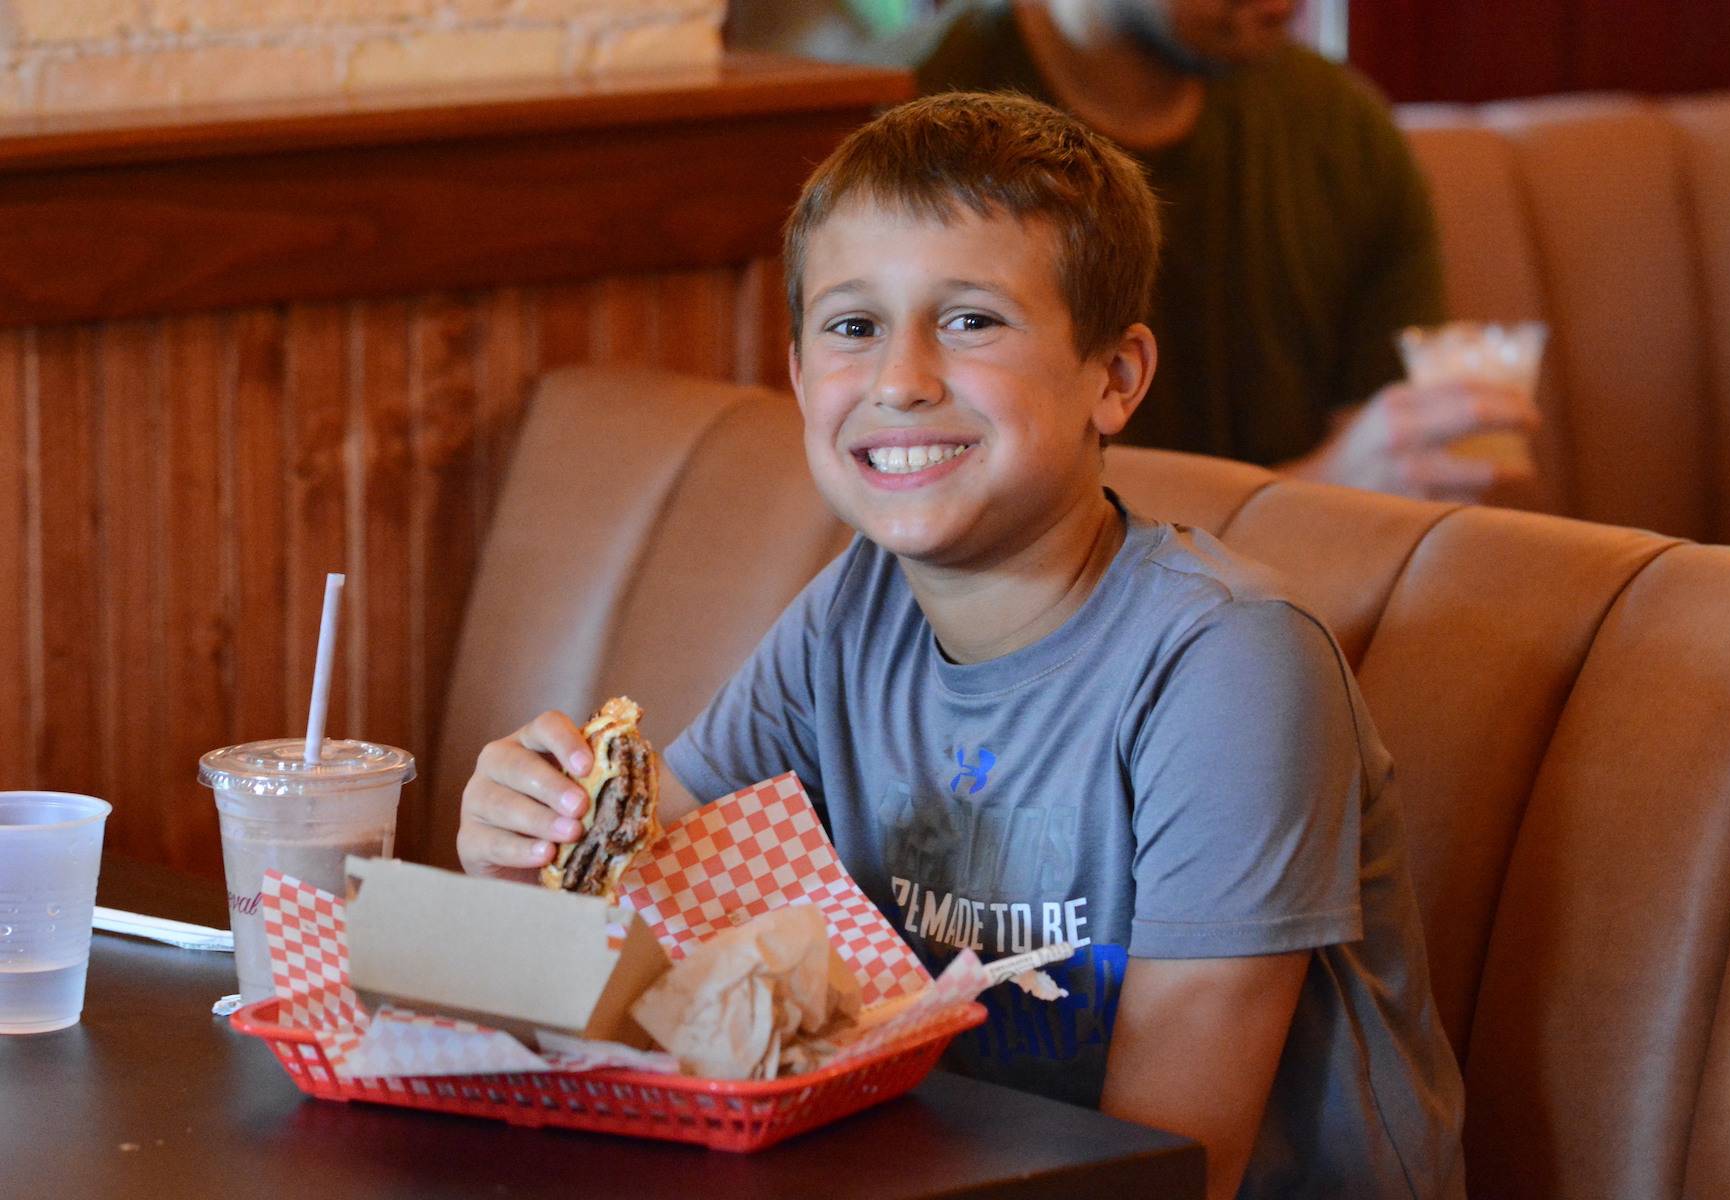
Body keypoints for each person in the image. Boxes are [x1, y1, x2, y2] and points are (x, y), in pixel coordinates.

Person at [458, 92, 1465, 1198]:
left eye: (972, 320)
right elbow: (647, 908)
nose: (900, 380)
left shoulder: (1226, 666)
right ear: (799, 377)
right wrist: (527, 849)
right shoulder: (855, 616)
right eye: (853, 327)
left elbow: (1171, 1165)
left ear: (1115, 378)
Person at [917, 0, 1539, 503]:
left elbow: (1383, 463)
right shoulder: (905, 127)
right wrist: (1317, 494)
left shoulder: (1344, 128)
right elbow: (975, 519)